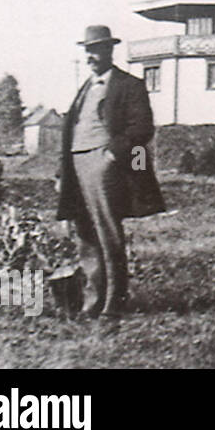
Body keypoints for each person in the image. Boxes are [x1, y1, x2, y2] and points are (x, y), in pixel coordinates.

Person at [56, 25, 165, 319]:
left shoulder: (128, 85)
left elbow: (142, 128)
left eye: (97, 49)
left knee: (107, 232)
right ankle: (92, 303)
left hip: (103, 165)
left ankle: (114, 302)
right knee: (84, 234)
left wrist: (111, 156)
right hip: (76, 165)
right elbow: (70, 132)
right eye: (88, 50)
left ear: (109, 51)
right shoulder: (85, 89)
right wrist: (60, 173)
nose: (91, 56)